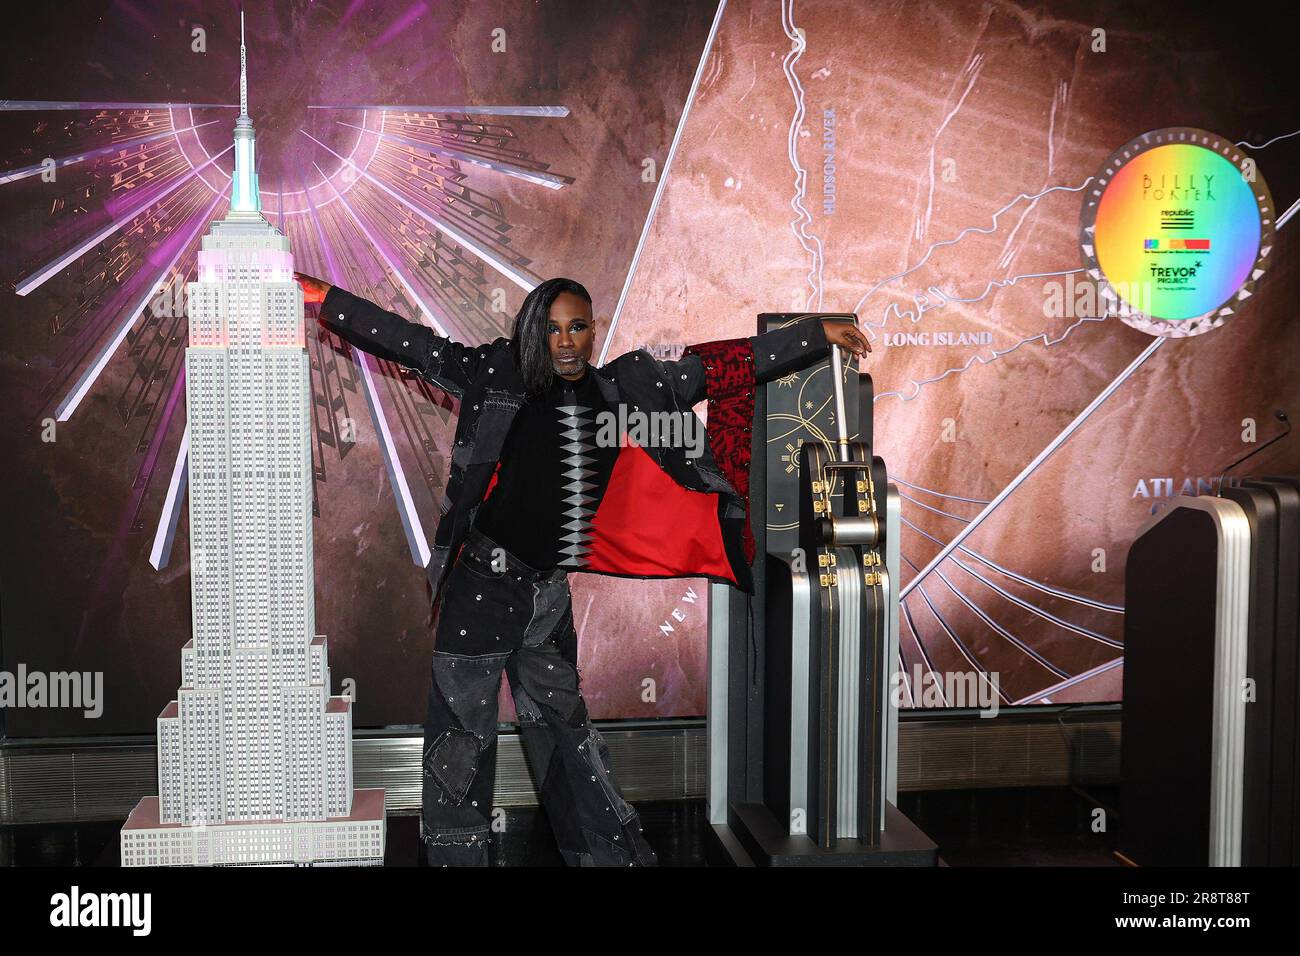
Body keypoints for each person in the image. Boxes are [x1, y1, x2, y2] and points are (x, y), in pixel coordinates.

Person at [295, 271, 870, 865]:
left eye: (577, 327)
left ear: (594, 330)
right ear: (532, 332)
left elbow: (721, 363)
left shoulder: (628, 388)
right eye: (551, 329)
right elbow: (413, 344)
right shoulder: (501, 376)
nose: (565, 341)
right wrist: (331, 302)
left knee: (570, 737)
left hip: (545, 600)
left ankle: (610, 857)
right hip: (481, 589)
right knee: (460, 741)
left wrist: (816, 334)